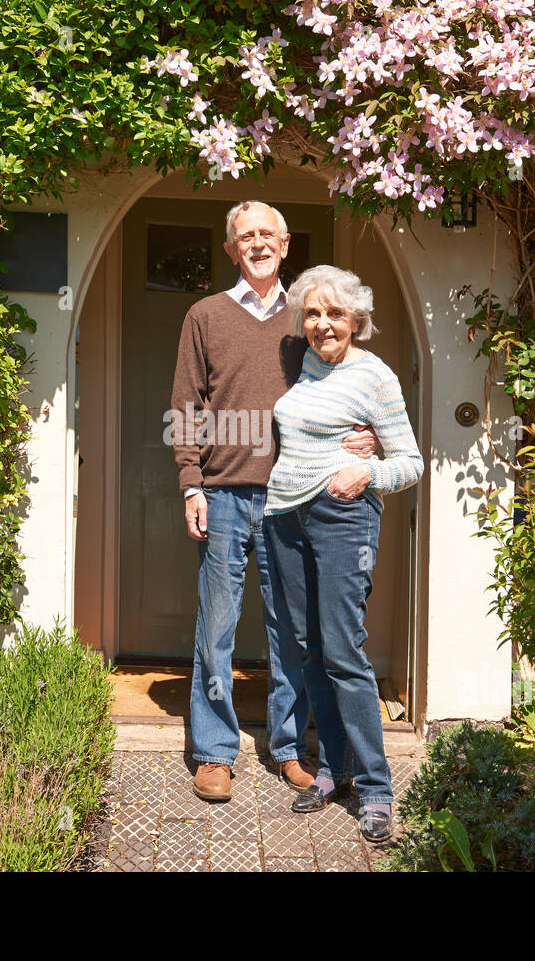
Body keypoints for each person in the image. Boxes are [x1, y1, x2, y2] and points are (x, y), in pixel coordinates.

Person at [171, 202, 378, 802]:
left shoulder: (307, 316)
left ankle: (289, 747)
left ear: (285, 245)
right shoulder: (204, 315)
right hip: (224, 493)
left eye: (268, 234)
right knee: (217, 627)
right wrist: (191, 482)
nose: (257, 244)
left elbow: (352, 383)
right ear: (232, 250)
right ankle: (214, 753)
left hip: (296, 495)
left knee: (294, 631)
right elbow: (188, 405)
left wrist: (370, 437)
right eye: (245, 237)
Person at [262, 264, 425, 842]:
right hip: (283, 516)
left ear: (356, 319)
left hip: (342, 517)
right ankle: (336, 770)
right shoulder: (302, 365)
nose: (323, 324)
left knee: (343, 650)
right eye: (312, 313)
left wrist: (367, 469)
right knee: (305, 648)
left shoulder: (376, 376)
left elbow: (411, 463)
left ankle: (378, 790)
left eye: (335, 313)